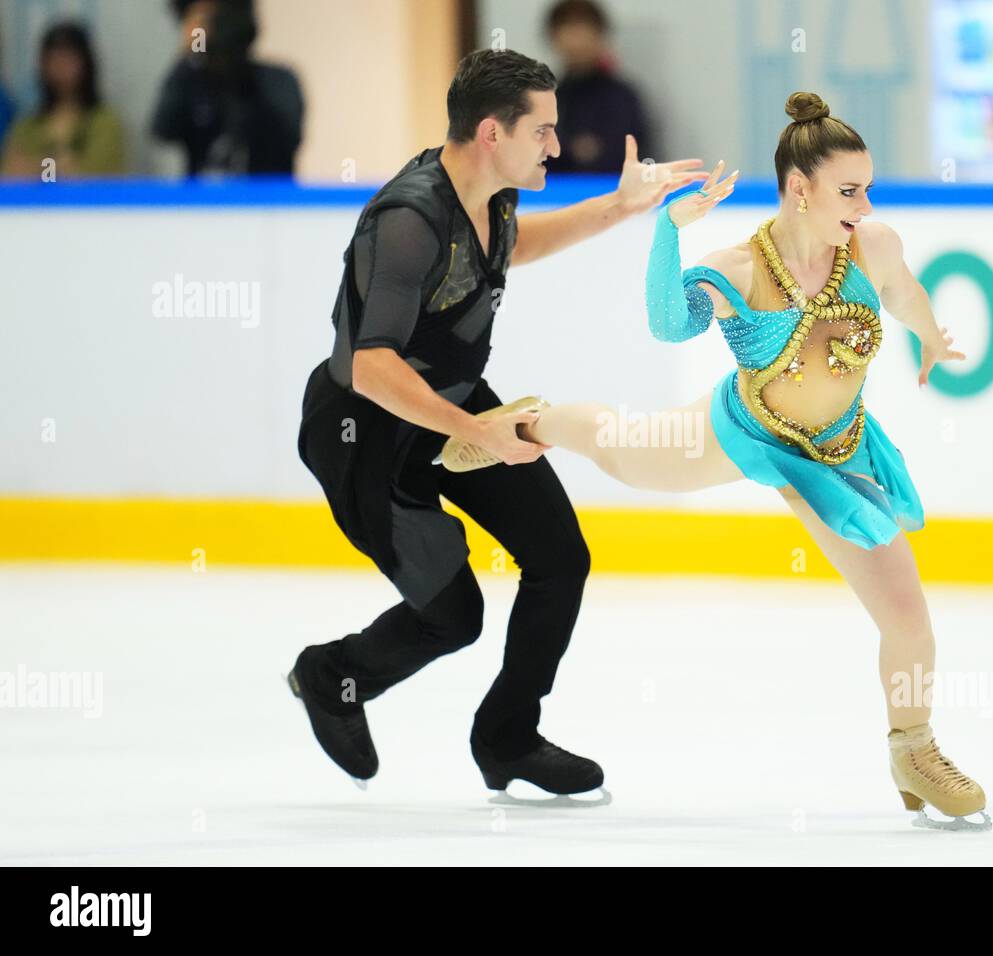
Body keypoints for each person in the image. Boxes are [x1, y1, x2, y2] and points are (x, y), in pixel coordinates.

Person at [441, 92, 992, 830]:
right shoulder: (738, 269)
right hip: (744, 429)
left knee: (908, 618)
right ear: (801, 189)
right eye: (850, 191)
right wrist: (668, 230)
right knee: (625, 451)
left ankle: (914, 749)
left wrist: (930, 337)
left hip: (837, 451)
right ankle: (530, 422)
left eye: (867, 189)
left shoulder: (874, 246)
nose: (864, 205)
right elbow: (670, 324)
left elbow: (905, 295)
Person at [290, 48, 706, 798]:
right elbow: (371, 366)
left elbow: (514, 248)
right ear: (492, 132)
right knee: (454, 618)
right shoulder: (410, 219)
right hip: (366, 435)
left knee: (559, 556)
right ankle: (332, 676)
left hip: (449, 404)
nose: (555, 144)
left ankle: (507, 739)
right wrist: (477, 431)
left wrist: (620, 208)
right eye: (542, 130)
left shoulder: (493, 195)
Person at [150, 0, 303, 176]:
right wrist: (192, 53)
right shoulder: (192, 83)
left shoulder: (277, 80)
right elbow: (163, 130)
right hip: (204, 201)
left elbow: (288, 138)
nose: (207, 26)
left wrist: (236, 70)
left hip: (268, 200)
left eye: (211, 17)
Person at [1, 21, 125, 179]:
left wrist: (39, 167)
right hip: (35, 203)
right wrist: (54, 165)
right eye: (53, 59)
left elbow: (92, 174)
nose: (60, 67)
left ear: (86, 63)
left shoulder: (105, 123)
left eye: (69, 58)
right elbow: (10, 172)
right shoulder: (27, 126)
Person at [543, 0, 653, 173]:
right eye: (568, 30)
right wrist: (574, 150)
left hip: (614, 191)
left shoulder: (622, 96)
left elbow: (627, 154)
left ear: (600, 35)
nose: (576, 41)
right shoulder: (545, 96)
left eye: (584, 29)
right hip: (551, 195)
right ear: (553, 37)